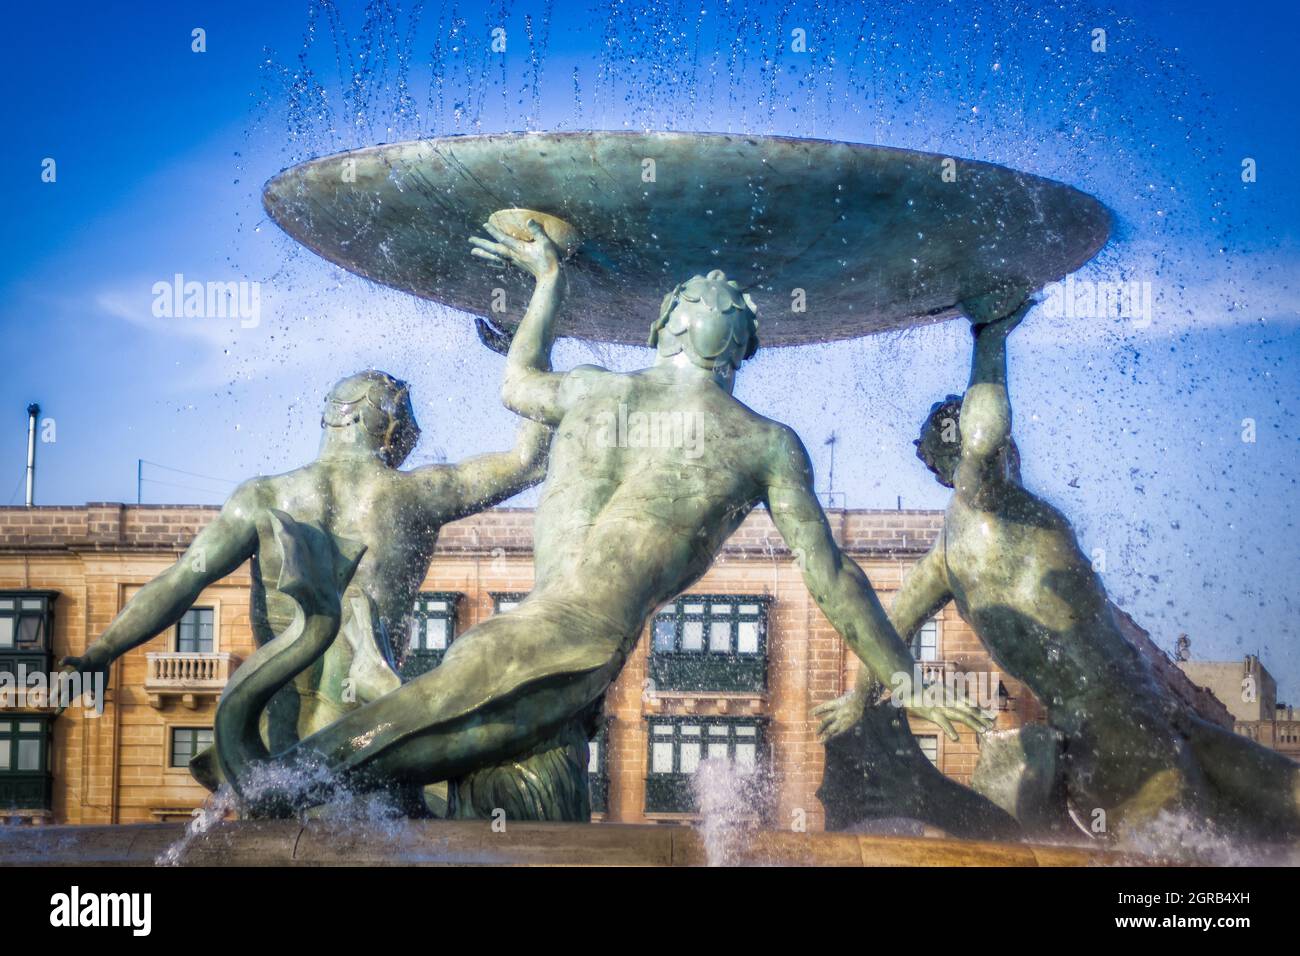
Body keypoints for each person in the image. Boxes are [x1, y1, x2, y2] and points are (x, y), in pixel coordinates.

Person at [246, 219, 990, 814]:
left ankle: (265, 778)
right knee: (344, 766)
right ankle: (258, 788)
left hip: (531, 640)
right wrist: (904, 674)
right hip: (570, 650)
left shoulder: (596, 391)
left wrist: (550, 283)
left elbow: (518, 381)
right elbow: (832, 575)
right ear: (743, 345)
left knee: (385, 763)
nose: (714, 300)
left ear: (664, 326)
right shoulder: (764, 442)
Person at [815, 294, 1300, 842]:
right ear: (960, 467)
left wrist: (857, 698)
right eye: (990, 449)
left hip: (1161, 717)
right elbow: (982, 437)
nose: (1003, 451)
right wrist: (991, 338)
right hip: (1113, 736)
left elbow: (887, 626)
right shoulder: (983, 511)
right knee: (1187, 867)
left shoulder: (943, 561)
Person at [63, 371, 550, 755]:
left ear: (330, 420)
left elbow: (181, 580)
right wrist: (524, 361)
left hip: (274, 728)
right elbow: (529, 461)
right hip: (368, 724)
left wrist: (99, 653)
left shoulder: (262, 497)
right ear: (391, 427)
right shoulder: (418, 493)